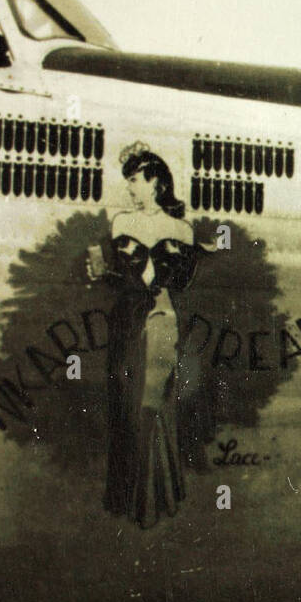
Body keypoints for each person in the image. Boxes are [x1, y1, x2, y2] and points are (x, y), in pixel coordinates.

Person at [88, 141, 206, 528]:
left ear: (155, 182)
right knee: (127, 402)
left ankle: (157, 498)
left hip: (160, 320)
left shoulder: (181, 228)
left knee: (155, 402)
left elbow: (181, 281)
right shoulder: (121, 223)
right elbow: (118, 275)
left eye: (136, 181)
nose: (131, 189)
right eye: (129, 182)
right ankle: (130, 497)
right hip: (129, 321)